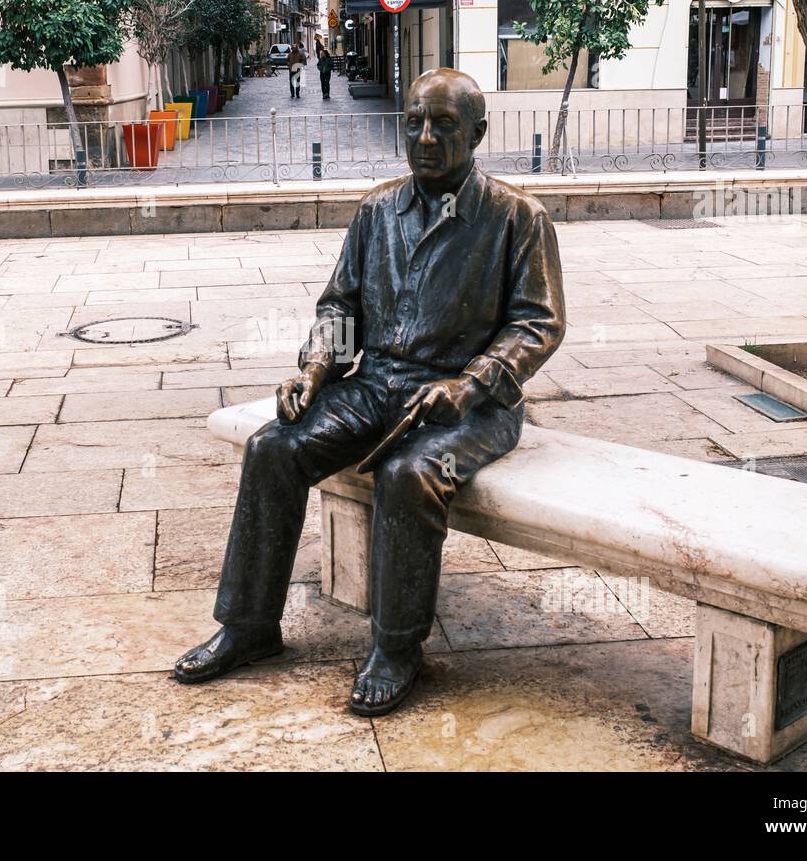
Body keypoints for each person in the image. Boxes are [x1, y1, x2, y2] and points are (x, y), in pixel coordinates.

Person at [172, 68, 567, 716]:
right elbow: (340, 310)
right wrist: (314, 370)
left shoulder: (516, 218)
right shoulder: (378, 211)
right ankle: (249, 625)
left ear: (478, 133)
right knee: (274, 446)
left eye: (443, 124)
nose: (426, 137)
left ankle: (396, 646)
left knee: (409, 474)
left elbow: (538, 324)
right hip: (376, 384)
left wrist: (469, 384)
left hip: (471, 407)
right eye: (414, 122)